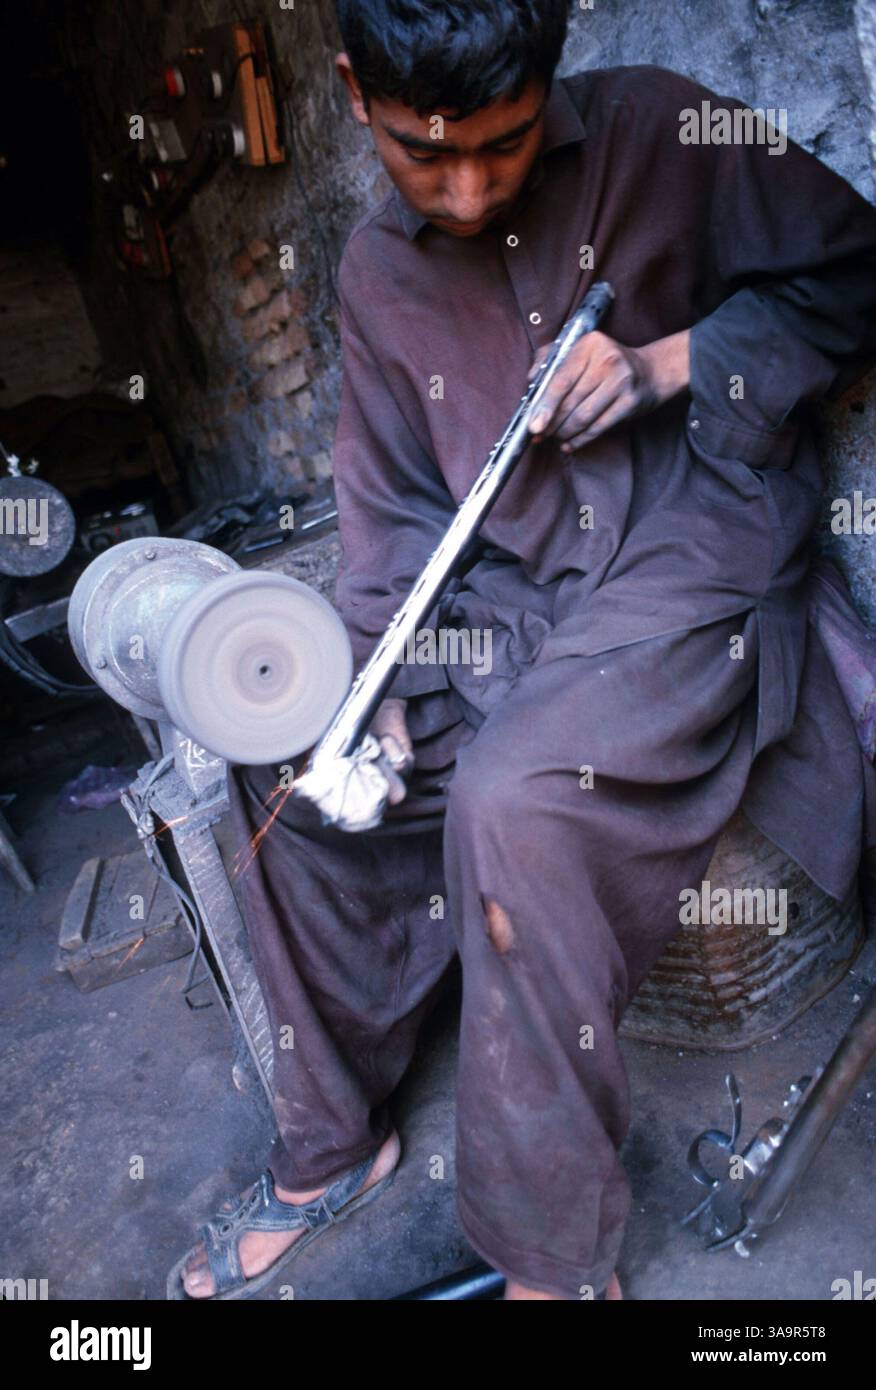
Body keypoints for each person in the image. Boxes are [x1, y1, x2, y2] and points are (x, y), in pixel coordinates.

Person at [168, 0, 876, 1300]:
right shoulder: (378, 277)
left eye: (502, 145)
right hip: (505, 593)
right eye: (421, 154)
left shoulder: (664, 127)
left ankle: (556, 1262)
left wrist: (673, 362)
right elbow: (387, 511)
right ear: (352, 91)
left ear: (551, 79)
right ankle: (335, 1140)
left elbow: (857, 268)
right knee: (284, 771)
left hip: (690, 561)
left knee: (518, 803)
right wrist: (375, 684)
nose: (469, 187)